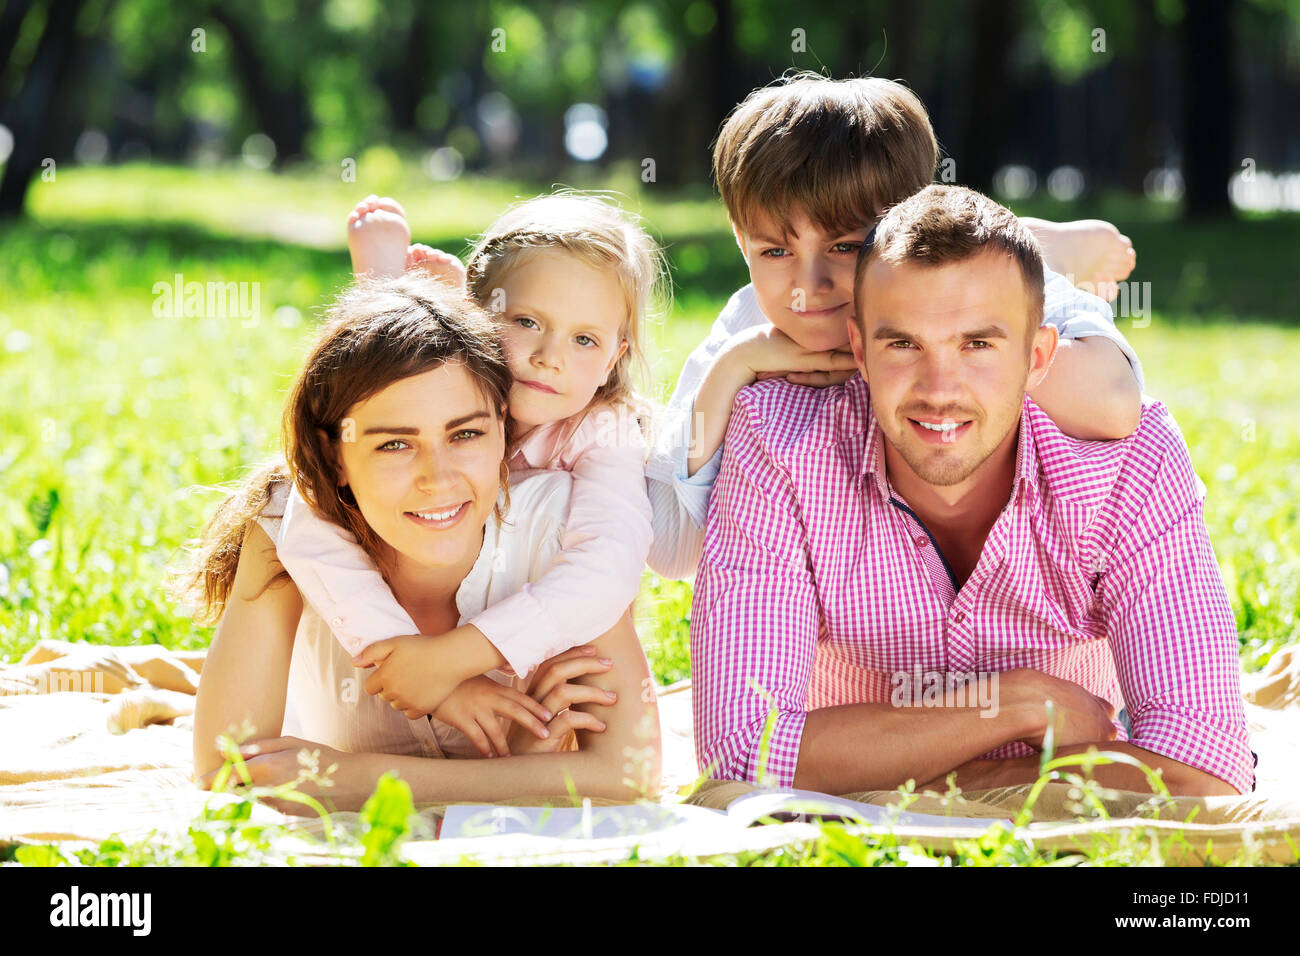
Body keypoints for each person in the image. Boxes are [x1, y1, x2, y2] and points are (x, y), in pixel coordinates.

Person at [691, 184, 1253, 798]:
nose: (940, 388)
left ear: (1038, 356)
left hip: (851, 774)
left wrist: (932, 781)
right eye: (903, 344)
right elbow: (743, 752)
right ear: (859, 347)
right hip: (1063, 766)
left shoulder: (1130, 460)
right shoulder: (778, 440)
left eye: (978, 345)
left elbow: (1207, 765)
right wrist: (1017, 705)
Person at [180, 276, 661, 809]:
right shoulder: (286, 530)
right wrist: (526, 776)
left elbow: (630, 775)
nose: (438, 478)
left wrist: (355, 779)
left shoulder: (564, 530)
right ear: (335, 454)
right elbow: (229, 768)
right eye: (395, 444)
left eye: (466, 434)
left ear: (503, 427)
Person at [645, 72, 1145, 580]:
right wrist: (733, 366)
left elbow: (1115, 407)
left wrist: (996, 322)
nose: (809, 284)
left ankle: (1036, 245)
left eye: (844, 246)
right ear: (740, 239)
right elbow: (669, 547)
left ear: (914, 224)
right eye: (775, 250)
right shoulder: (751, 322)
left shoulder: (992, 289)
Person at [265, 192, 666, 744]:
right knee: (380, 389)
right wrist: (415, 665)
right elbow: (314, 518)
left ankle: (389, 287)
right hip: (407, 641)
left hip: (529, 645)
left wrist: (458, 657)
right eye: (526, 321)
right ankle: (383, 292)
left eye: (584, 339)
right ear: (474, 318)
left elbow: (607, 566)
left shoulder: (603, 432)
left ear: (613, 360)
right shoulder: (448, 394)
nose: (551, 356)